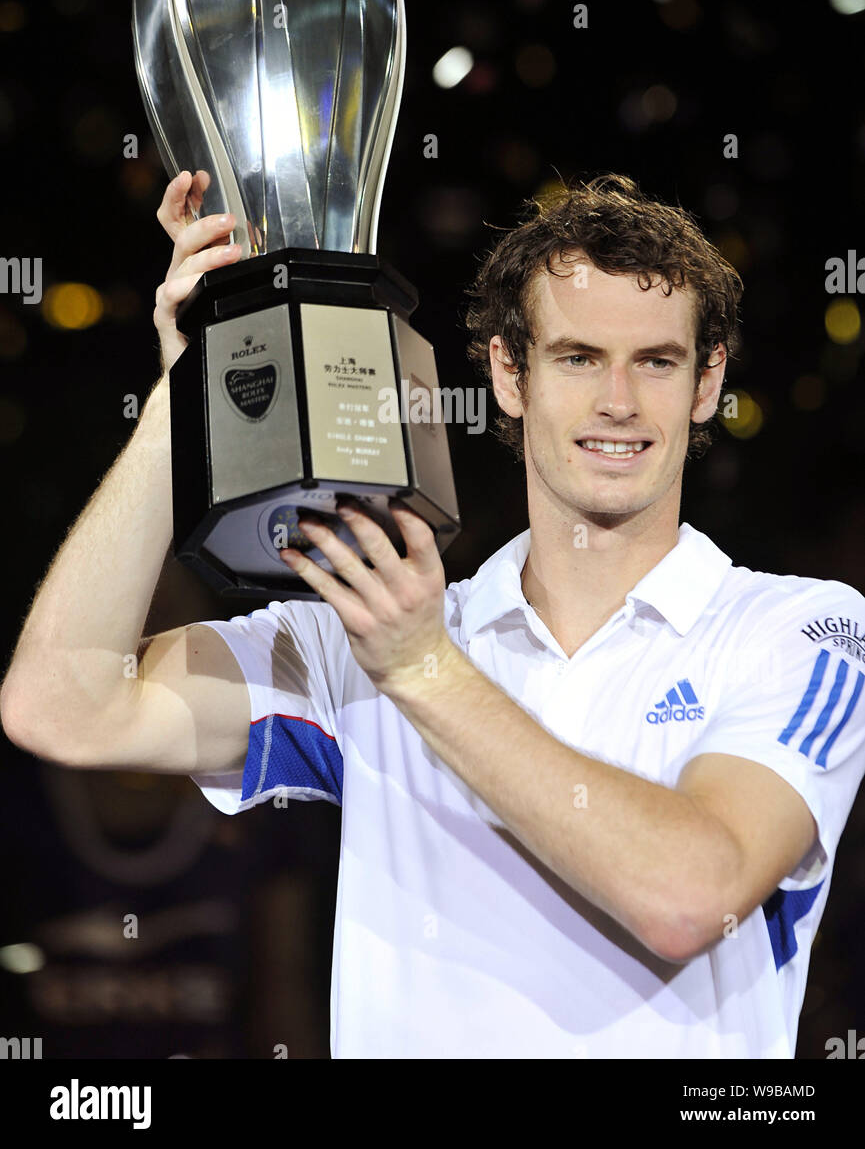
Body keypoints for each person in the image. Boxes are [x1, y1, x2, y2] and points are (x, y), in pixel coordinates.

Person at [3, 168, 864, 1059]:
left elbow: (690, 896)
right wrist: (187, 399)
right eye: (576, 357)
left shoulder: (797, 630)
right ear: (507, 371)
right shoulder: (362, 642)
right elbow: (63, 705)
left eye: (656, 360)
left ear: (704, 380)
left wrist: (422, 671)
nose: (618, 402)